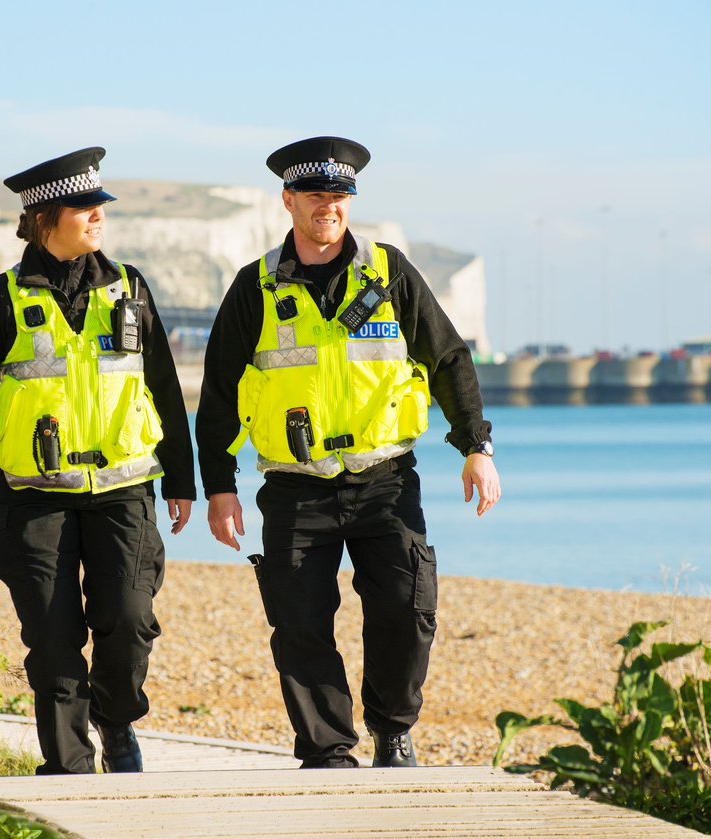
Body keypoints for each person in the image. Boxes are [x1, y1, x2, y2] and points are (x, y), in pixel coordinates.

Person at [195, 136, 500, 769]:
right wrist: (218, 487)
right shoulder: (254, 289)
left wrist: (477, 445)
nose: (328, 206)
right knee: (299, 621)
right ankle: (327, 748)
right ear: (289, 201)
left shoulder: (389, 274)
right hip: (294, 484)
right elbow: (219, 395)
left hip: (385, 477)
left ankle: (393, 730)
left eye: (339, 195)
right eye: (315, 195)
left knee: (408, 605)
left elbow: (447, 359)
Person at [0, 147, 195, 775]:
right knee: (51, 639)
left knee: (127, 620)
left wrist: (183, 479)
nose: (99, 216)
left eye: (101, 205)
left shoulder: (131, 287)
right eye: (85, 206)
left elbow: (163, 383)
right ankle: (69, 768)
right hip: (33, 496)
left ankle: (118, 720)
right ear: (46, 216)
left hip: (124, 488)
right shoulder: (4, 297)